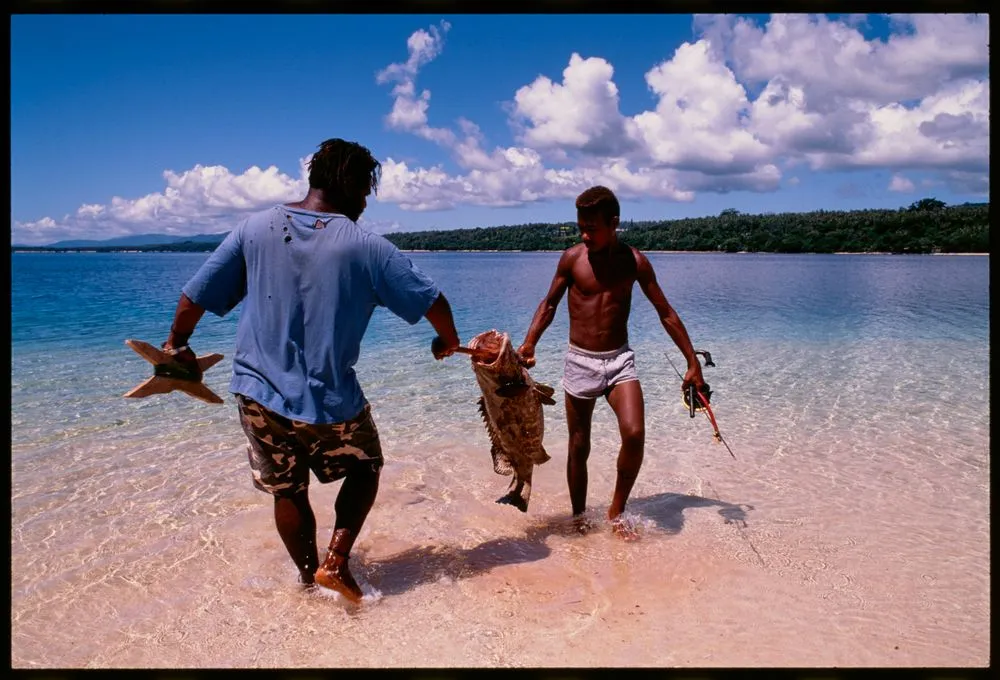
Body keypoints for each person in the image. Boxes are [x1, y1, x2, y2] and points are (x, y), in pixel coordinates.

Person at [159, 138, 461, 601]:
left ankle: (306, 581)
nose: (364, 203)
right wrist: (448, 341)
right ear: (349, 184)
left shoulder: (255, 229)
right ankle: (335, 563)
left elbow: (194, 296)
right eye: (364, 192)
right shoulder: (368, 248)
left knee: (287, 489)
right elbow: (433, 301)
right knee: (367, 466)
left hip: (257, 393)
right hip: (329, 397)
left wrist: (177, 344)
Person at [516, 185, 706, 540]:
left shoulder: (635, 262)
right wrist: (529, 343)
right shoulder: (572, 259)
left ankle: (616, 510)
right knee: (578, 444)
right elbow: (549, 304)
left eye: (593, 228)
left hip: (619, 361)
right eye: (581, 227)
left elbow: (665, 312)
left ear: (614, 223)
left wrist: (691, 361)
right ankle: (578, 518)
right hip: (580, 360)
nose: (585, 235)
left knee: (634, 434)